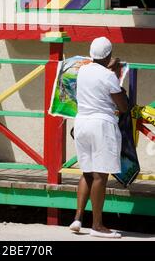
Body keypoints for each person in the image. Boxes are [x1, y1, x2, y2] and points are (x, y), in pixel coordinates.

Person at [69, 37, 128, 238]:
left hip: (82, 123)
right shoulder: (109, 76)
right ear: (109, 55)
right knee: (100, 176)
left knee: (87, 172)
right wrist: (115, 75)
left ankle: (77, 219)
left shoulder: (83, 70)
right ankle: (97, 225)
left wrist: (108, 67)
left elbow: (97, 72)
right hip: (101, 125)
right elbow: (123, 106)